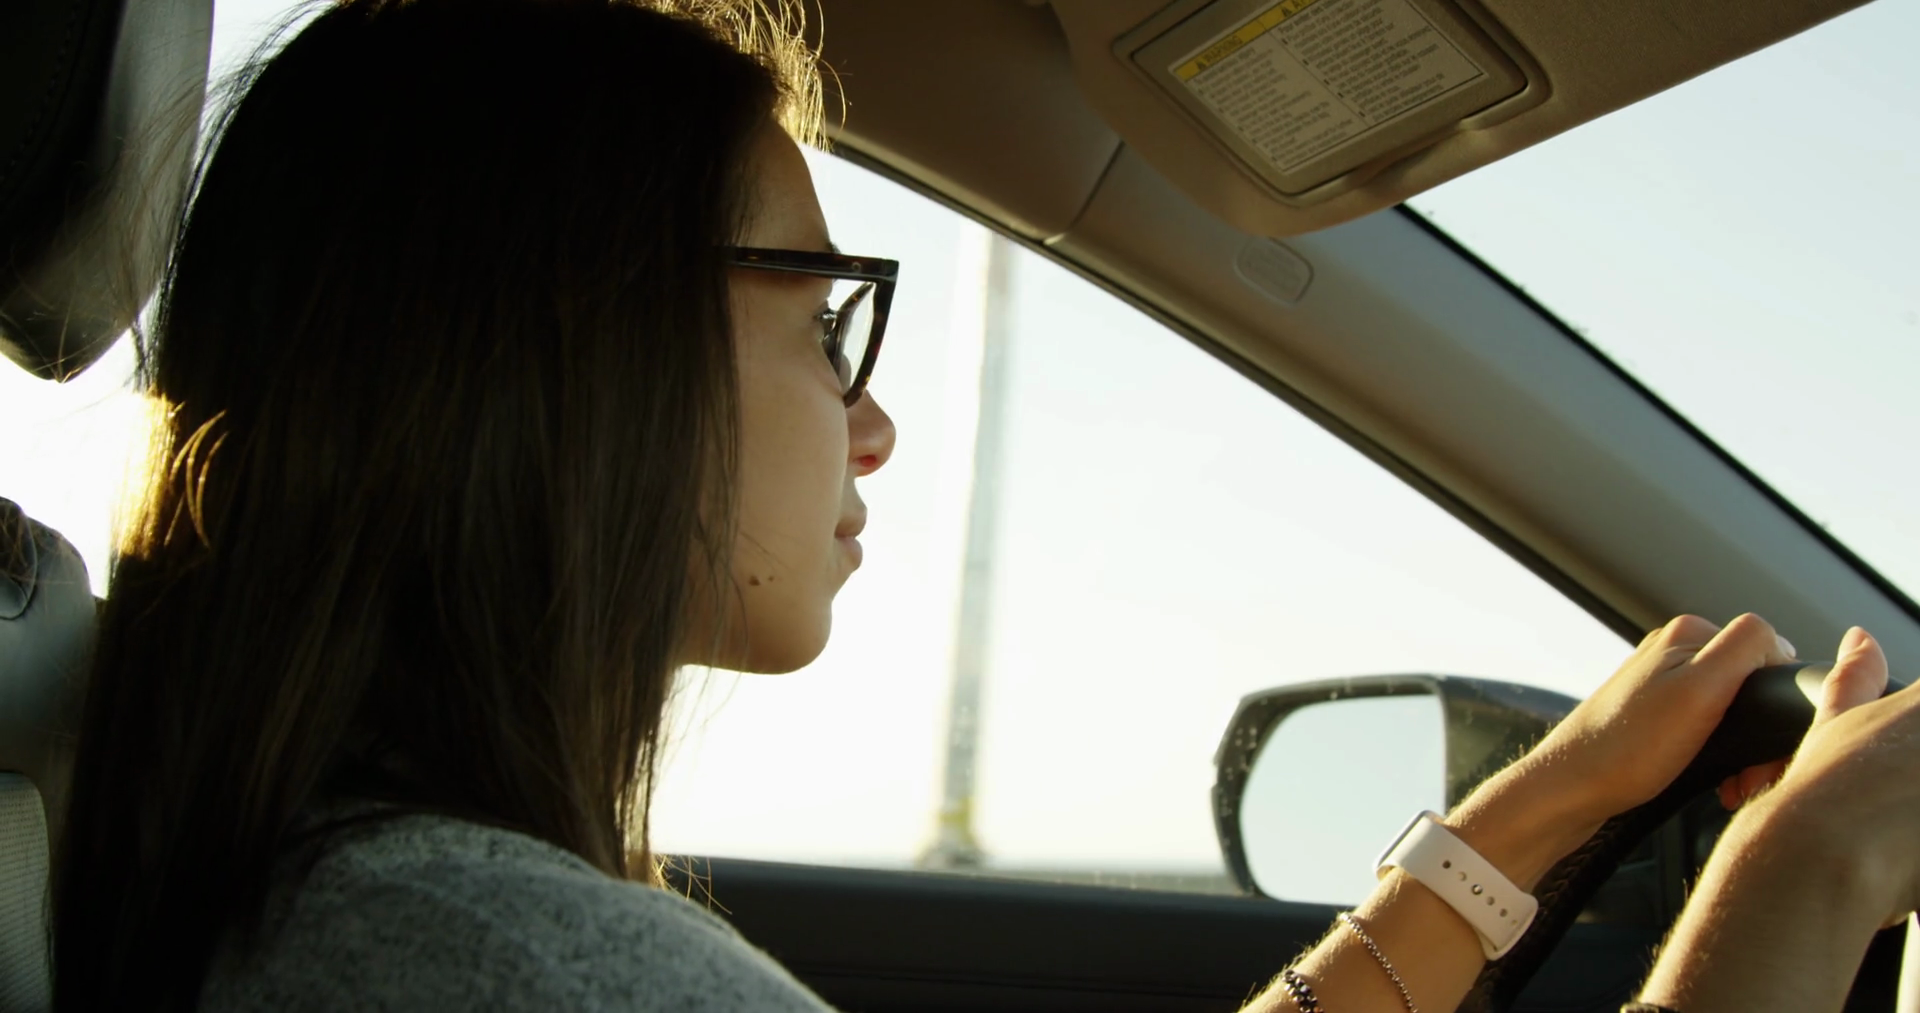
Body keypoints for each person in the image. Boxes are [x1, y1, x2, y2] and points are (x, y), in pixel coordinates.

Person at [43, 0, 1914, 1010]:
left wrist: (1544, 809)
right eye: (818, 308)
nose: (869, 431)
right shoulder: (485, 956)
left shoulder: (374, 905)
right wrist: (1810, 875)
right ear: (570, 345)